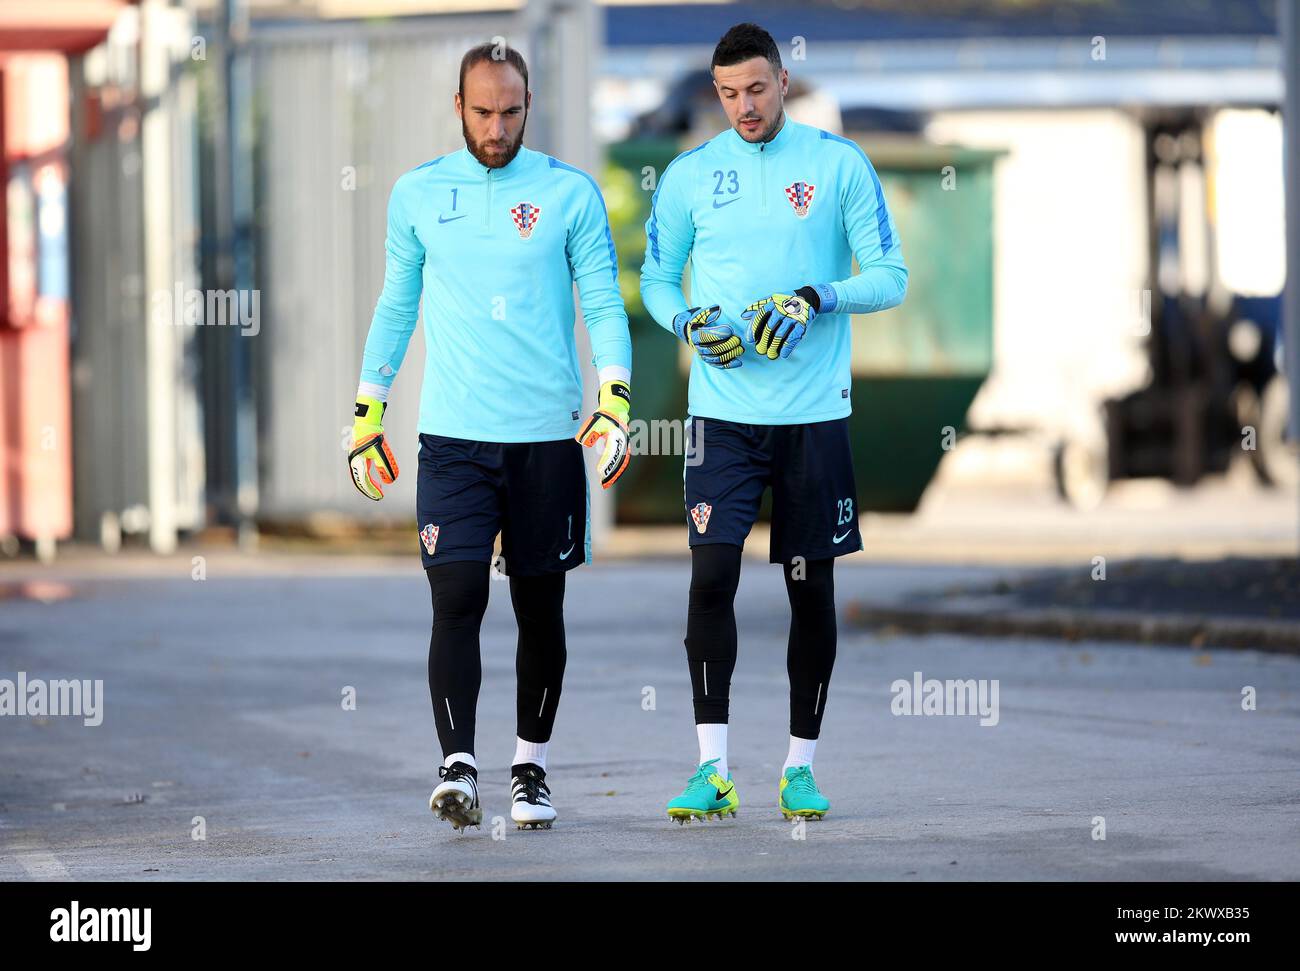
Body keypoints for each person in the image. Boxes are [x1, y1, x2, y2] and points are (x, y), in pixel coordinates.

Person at [348, 42, 632, 832]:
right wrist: (367, 414)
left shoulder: (569, 194)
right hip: (453, 439)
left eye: (511, 111)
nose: (497, 126)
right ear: (458, 105)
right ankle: (458, 765)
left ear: (529, 104)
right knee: (459, 596)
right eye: (483, 111)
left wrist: (614, 399)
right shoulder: (416, 194)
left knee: (542, 611)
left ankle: (531, 768)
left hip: (546, 439)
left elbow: (605, 304)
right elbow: (396, 307)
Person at [639, 22, 908, 823]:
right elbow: (657, 279)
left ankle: (799, 767)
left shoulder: (836, 164)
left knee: (807, 586)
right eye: (728, 94)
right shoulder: (690, 175)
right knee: (711, 577)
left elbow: (889, 275)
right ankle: (712, 769)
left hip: (813, 418)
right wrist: (688, 324)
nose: (744, 107)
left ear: (783, 81)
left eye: (756, 89)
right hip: (722, 416)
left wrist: (816, 297)